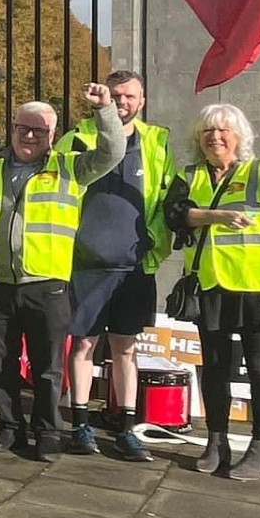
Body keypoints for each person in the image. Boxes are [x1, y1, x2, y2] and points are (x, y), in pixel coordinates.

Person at [0, 87, 124, 461]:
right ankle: (9, 427)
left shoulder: (70, 167)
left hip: (48, 284)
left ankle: (47, 432)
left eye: (39, 131)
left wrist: (105, 110)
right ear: (11, 129)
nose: (29, 136)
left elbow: (112, 152)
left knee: (47, 368)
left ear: (52, 136)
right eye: (23, 128)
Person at [166, 102, 260, 481]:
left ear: (239, 136)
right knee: (214, 365)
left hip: (256, 284)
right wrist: (216, 216)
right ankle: (217, 440)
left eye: (223, 130)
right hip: (211, 283)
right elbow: (176, 214)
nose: (215, 137)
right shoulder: (190, 174)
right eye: (207, 131)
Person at [54, 69, 176, 461]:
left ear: (142, 101)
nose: (123, 102)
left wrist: (153, 244)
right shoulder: (78, 138)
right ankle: (80, 425)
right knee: (84, 344)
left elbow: (167, 196)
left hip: (134, 265)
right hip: (87, 262)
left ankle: (125, 428)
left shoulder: (158, 141)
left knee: (125, 348)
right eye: (116, 95)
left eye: (130, 96)